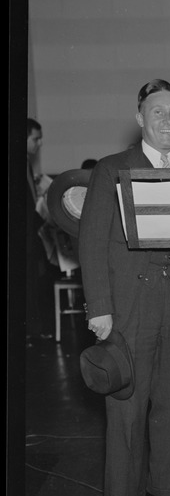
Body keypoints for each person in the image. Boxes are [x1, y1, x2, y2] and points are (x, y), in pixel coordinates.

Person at [78, 79, 170, 496]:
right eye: (158, 113)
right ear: (140, 119)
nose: (168, 120)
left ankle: (166, 489)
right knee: (126, 407)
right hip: (129, 305)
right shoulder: (111, 170)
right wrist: (100, 310)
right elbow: (91, 243)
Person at [26, 117, 57, 340]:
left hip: (32, 232)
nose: (39, 144)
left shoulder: (27, 163)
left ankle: (35, 330)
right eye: (35, 139)